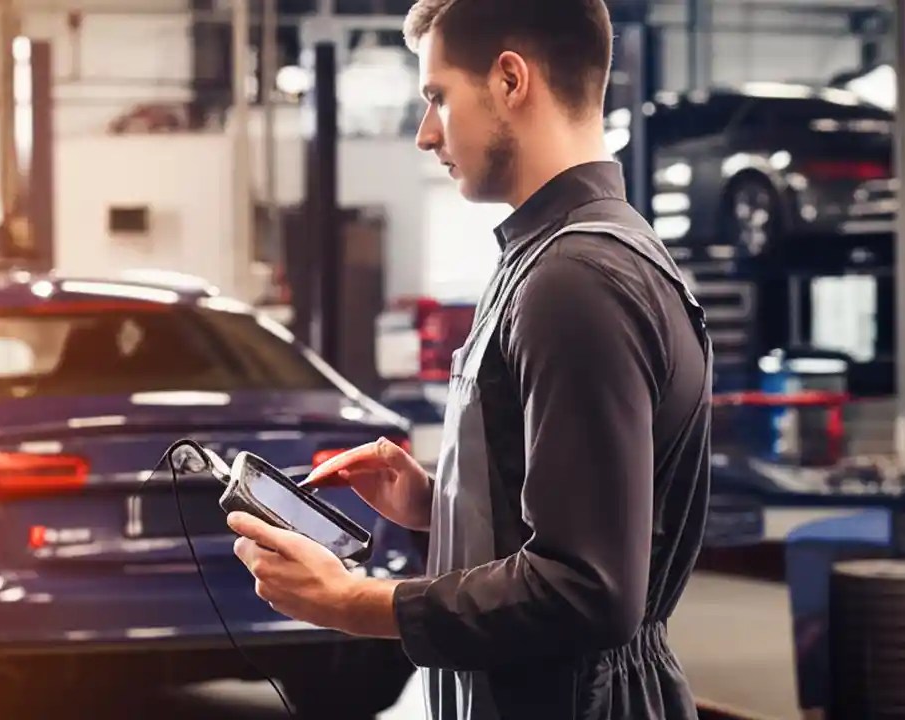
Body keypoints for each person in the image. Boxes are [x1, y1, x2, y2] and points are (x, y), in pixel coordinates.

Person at [225, 0, 712, 718]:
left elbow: (589, 590)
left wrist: (356, 602)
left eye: (438, 97)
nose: (426, 133)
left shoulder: (575, 281)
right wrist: (443, 504)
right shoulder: (552, 258)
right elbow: (593, 516)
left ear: (511, 80)